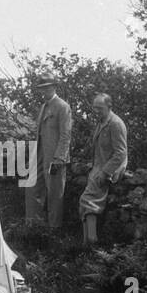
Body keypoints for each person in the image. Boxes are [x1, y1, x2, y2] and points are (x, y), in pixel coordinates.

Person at [78, 93, 128, 246]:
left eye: (100, 108)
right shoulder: (101, 122)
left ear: (109, 107)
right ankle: (87, 242)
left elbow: (121, 152)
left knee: (88, 199)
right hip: (99, 166)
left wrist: (105, 172)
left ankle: (91, 242)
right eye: (94, 108)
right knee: (84, 201)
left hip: (111, 169)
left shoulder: (115, 123)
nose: (96, 111)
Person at [24, 70, 71, 228]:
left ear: (54, 87)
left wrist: (59, 158)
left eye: (47, 87)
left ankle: (54, 231)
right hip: (40, 155)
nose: (44, 91)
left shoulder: (62, 107)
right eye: (41, 88)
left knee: (55, 194)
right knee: (34, 188)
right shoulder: (44, 106)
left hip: (55, 158)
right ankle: (37, 227)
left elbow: (66, 135)